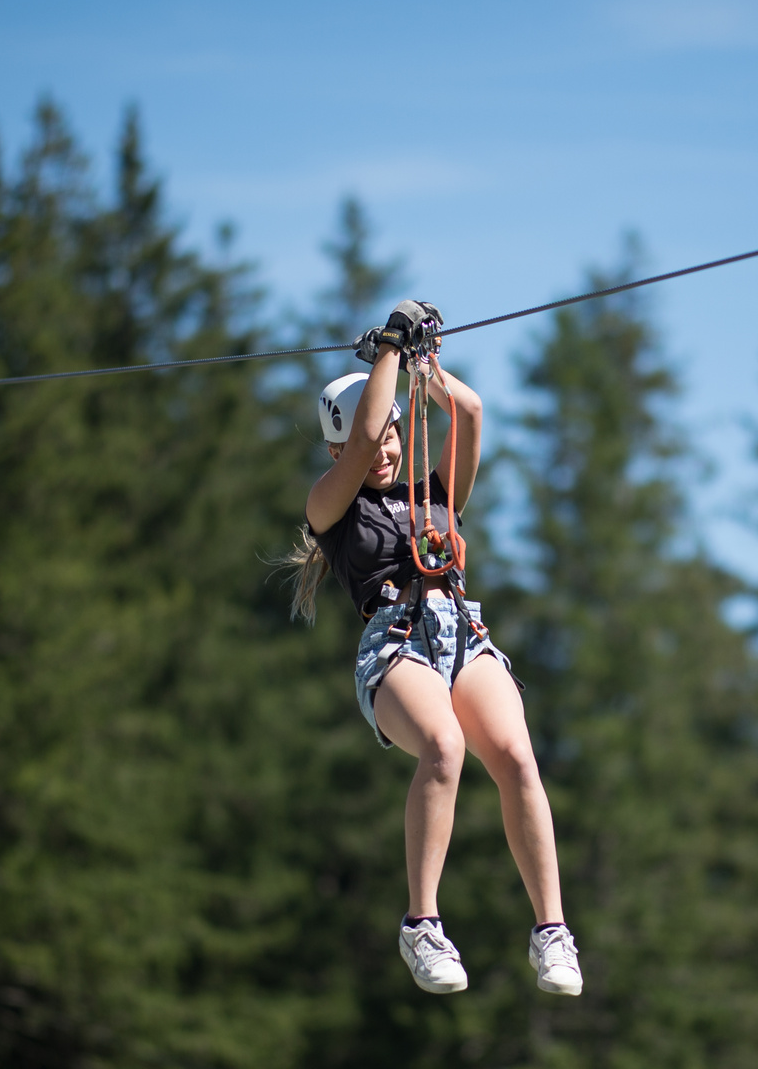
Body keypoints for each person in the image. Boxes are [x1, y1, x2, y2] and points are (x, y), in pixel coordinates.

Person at [281, 301, 582, 997]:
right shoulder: (333, 507)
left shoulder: (439, 495)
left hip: (462, 634)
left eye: (393, 436)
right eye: (370, 439)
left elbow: (470, 414)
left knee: (514, 756)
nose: (385, 449)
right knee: (444, 749)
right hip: (395, 647)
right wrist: (388, 351)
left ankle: (552, 931)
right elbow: (359, 449)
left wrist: (426, 369)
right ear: (336, 452)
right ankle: (422, 923)